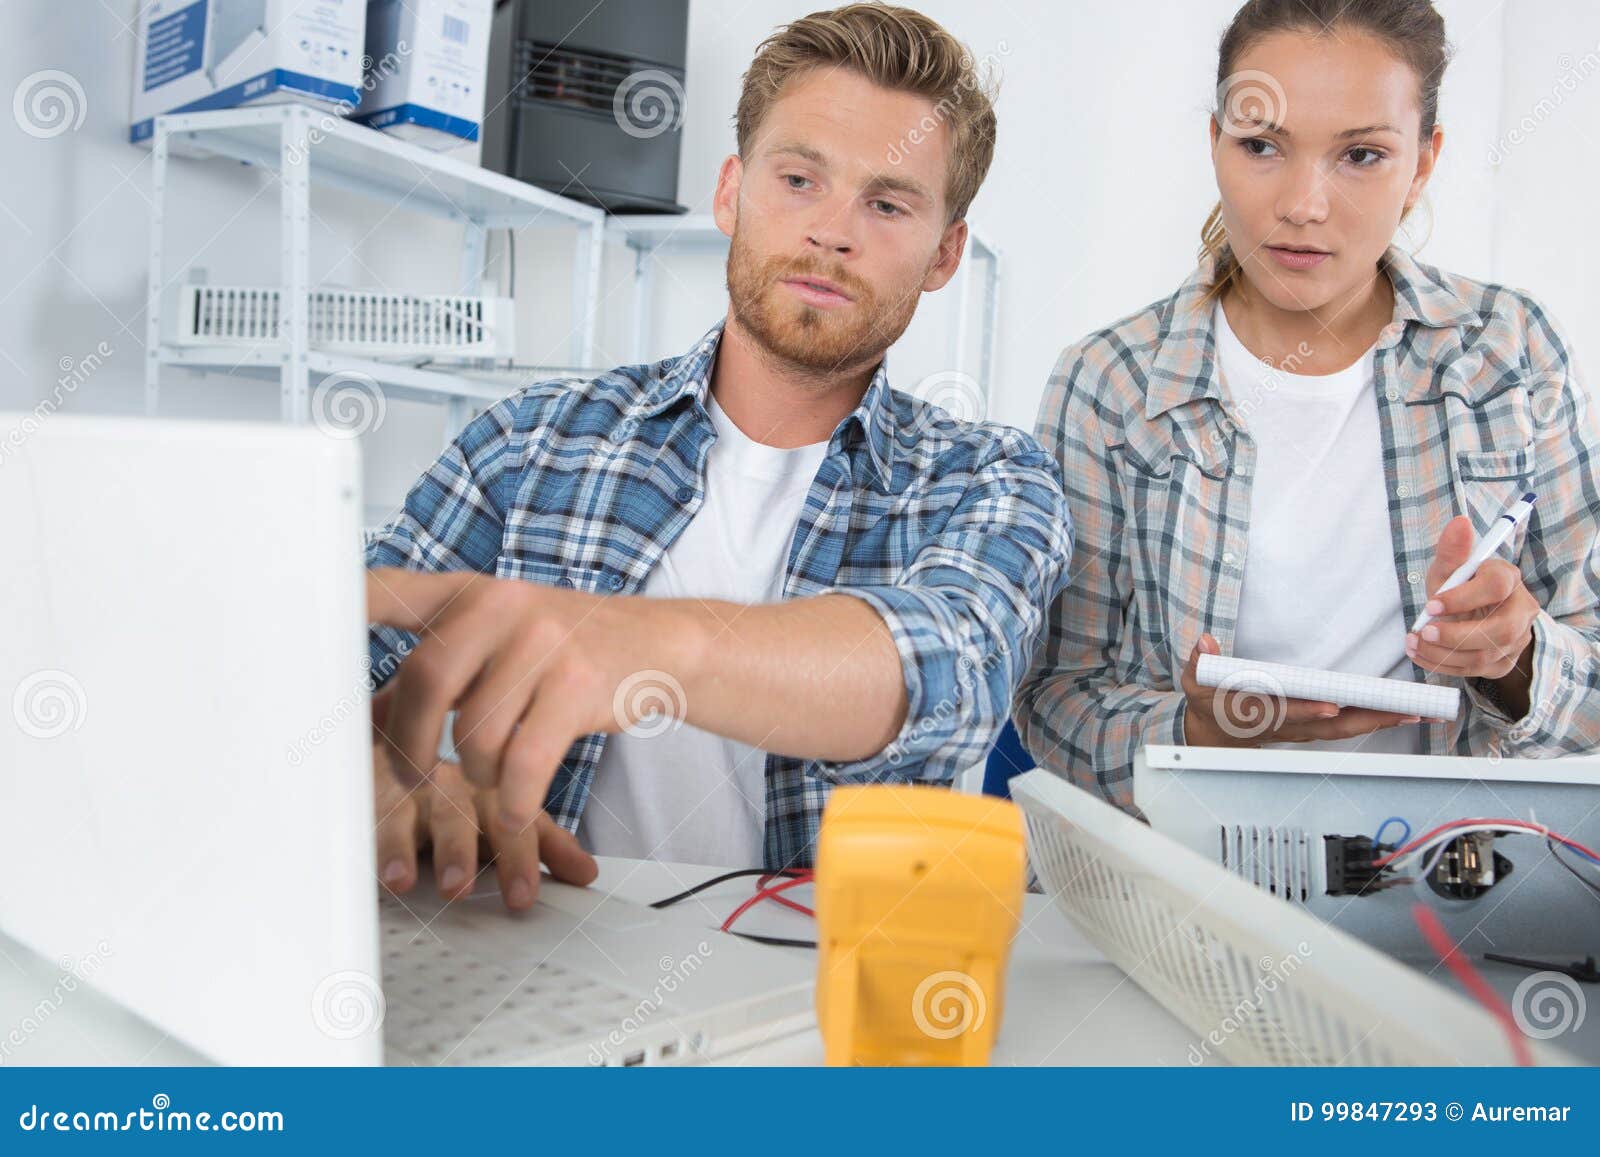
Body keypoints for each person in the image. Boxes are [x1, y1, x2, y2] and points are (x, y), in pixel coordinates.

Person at [365, 3, 1071, 905]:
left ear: (945, 254)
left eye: (888, 203)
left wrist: (642, 645)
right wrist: (394, 777)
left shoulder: (993, 481)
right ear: (733, 191)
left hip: (826, 1008)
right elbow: (318, 667)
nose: (832, 231)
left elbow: (943, 668)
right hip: (532, 961)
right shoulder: (529, 442)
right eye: (800, 179)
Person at [1017, 0, 1600, 811]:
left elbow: (1594, 683)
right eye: (1262, 145)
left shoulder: (1510, 350)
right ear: (1214, 142)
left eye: (1361, 154)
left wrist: (1519, 658)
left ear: (1423, 165)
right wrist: (1194, 735)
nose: (1304, 204)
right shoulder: (1108, 383)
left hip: (1453, 885)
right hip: (1199, 889)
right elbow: (1054, 701)